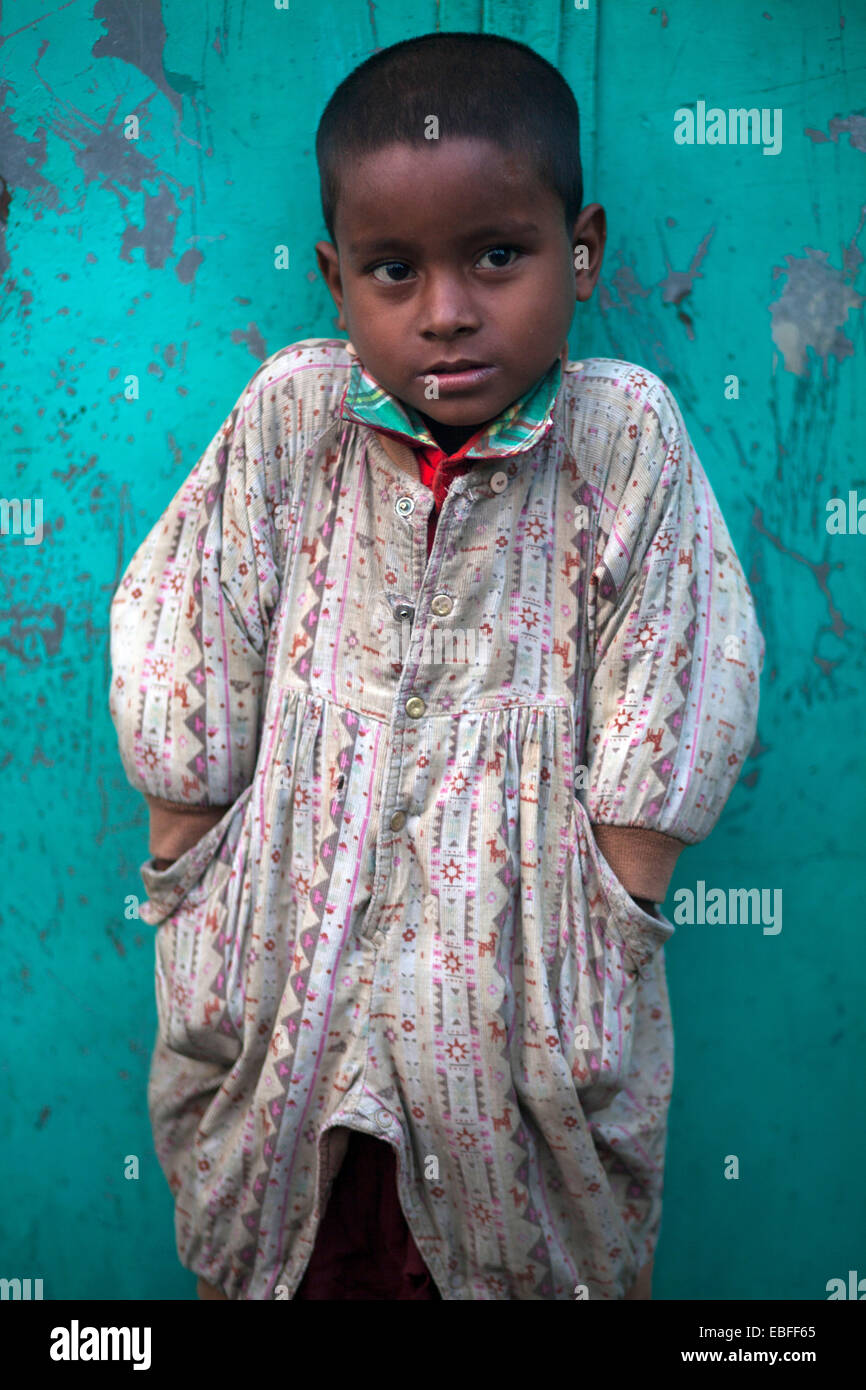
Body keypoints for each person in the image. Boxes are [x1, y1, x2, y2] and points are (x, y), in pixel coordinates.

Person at [109, 32, 764, 1301]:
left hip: (516, 989)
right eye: (393, 270)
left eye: (498, 256)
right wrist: (196, 876)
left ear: (583, 250)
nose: (446, 310)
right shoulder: (292, 416)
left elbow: (680, 672)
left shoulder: (619, 438)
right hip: (282, 968)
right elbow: (187, 631)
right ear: (333, 279)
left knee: (507, 1253)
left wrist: (604, 920)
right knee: (294, 1248)